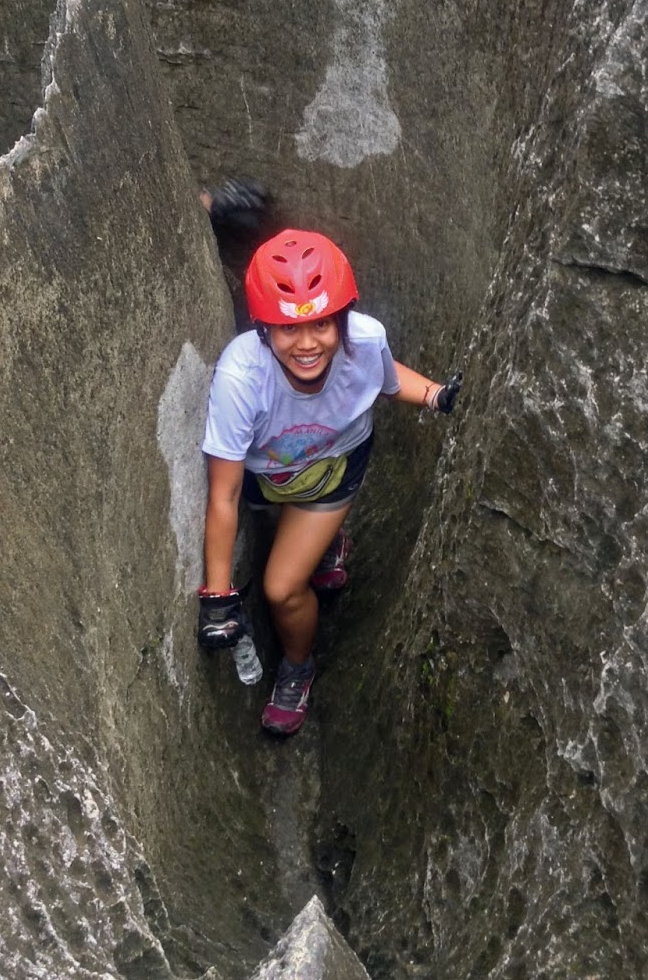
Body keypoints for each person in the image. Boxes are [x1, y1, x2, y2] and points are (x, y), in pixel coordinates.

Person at [197, 229, 461, 736]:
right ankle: (324, 547)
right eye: (287, 329)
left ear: (341, 318)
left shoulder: (364, 339)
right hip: (264, 482)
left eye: (321, 323)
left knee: (280, 589)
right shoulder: (240, 377)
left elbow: (384, 382)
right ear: (263, 330)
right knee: (274, 520)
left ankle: (297, 667)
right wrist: (217, 596)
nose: (308, 343)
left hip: (334, 468)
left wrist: (435, 396)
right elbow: (224, 494)